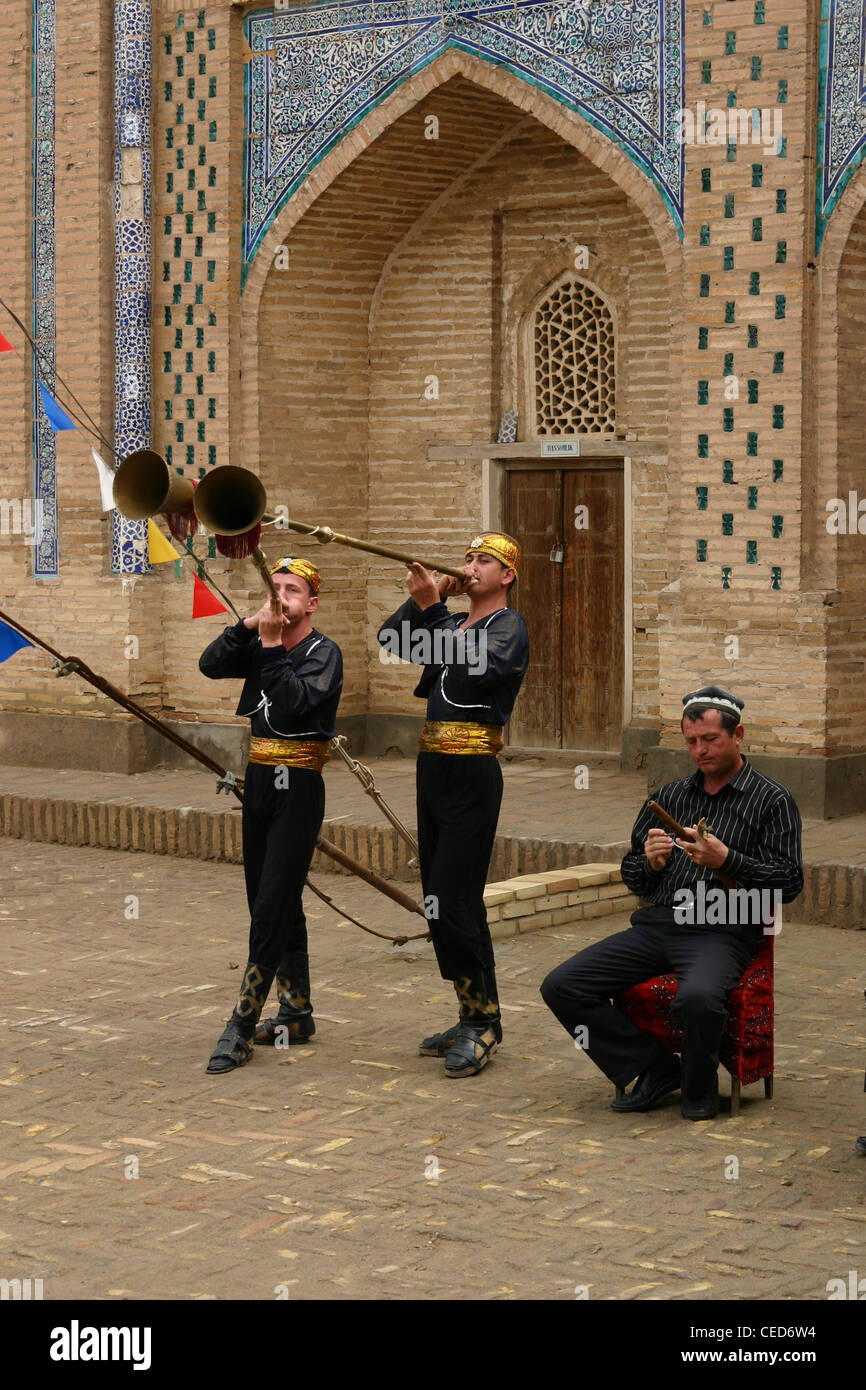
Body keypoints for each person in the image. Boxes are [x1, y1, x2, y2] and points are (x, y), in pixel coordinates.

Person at [540, 685, 803, 1120]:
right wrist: (651, 863)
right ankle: (655, 1068)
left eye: (710, 739)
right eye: (692, 741)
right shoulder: (668, 797)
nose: (700, 750)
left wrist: (728, 860)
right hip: (658, 925)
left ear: (737, 735)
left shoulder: (772, 800)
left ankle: (699, 1088)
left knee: (698, 997)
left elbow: (789, 883)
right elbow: (633, 877)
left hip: (724, 929)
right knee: (562, 985)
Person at [377, 532, 529, 1078]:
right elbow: (392, 639)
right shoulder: (455, 622)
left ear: (507, 575)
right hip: (433, 769)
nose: (470, 566)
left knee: (452, 898)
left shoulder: (507, 627)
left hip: (472, 773)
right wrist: (429, 600)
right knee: (442, 899)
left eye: (483, 560)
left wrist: (434, 609)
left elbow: (476, 669)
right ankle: (476, 1012)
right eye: (467, 558)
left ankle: (480, 1022)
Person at [198, 558, 342, 1074]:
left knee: (271, 904)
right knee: (271, 897)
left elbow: (293, 701)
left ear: (312, 603)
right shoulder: (261, 639)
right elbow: (210, 664)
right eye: (274, 588)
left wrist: (274, 644)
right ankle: (296, 1010)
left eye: (292, 590)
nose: (281, 597)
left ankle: (240, 1024)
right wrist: (247, 626)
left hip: (298, 784)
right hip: (259, 778)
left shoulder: (324, 653)